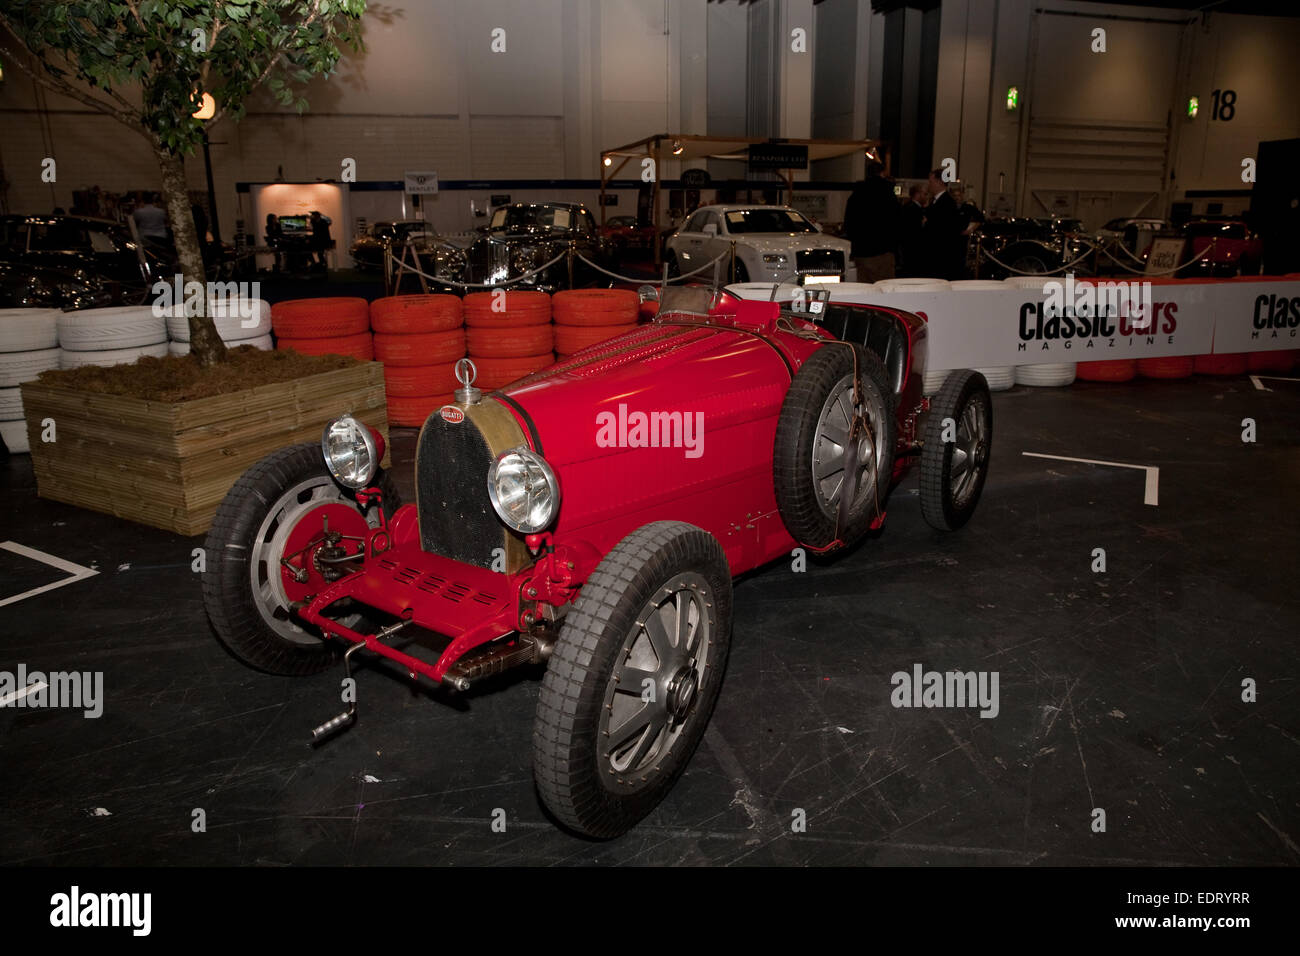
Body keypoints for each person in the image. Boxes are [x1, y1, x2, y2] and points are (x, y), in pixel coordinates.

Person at [842, 161, 900, 282]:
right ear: (882, 173)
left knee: (865, 289)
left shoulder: (856, 194)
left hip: (861, 251)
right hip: (883, 250)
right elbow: (896, 221)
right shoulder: (888, 193)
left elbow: (849, 223)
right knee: (885, 288)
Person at [922, 169, 964, 280]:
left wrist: (927, 222)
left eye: (930, 182)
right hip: (934, 256)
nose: (929, 185)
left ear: (939, 182)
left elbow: (941, 229)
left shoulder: (947, 202)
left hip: (940, 257)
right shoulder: (935, 201)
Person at [898, 184, 928, 277]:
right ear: (917, 194)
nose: (926, 197)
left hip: (907, 250)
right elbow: (915, 232)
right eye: (925, 194)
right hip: (913, 252)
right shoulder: (914, 210)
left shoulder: (907, 207)